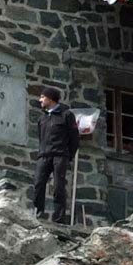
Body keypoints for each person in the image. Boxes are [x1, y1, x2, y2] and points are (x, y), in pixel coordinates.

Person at [32, 85, 80, 222]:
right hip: (44, 156)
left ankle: (59, 218)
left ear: (51, 98)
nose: (40, 99)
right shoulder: (42, 119)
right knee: (38, 184)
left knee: (59, 186)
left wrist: (68, 156)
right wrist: (41, 152)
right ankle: (38, 212)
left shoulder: (66, 115)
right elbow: (41, 138)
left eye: (42, 97)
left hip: (60, 156)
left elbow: (74, 139)